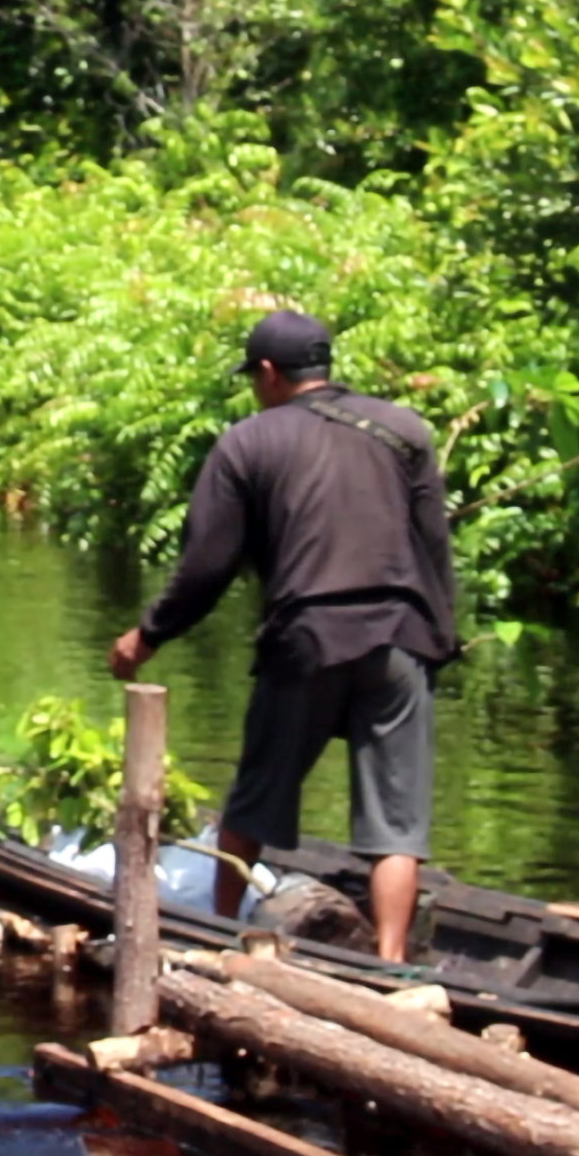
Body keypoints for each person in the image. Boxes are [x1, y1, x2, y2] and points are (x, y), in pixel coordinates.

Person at [109, 310, 457, 962]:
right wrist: (441, 640)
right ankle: (389, 963)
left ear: (268, 373)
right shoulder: (405, 430)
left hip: (308, 637)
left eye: (254, 377)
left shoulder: (247, 443)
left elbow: (207, 565)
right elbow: (435, 546)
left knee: (255, 797)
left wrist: (147, 636)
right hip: (403, 635)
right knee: (397, 826)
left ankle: (220, 934)